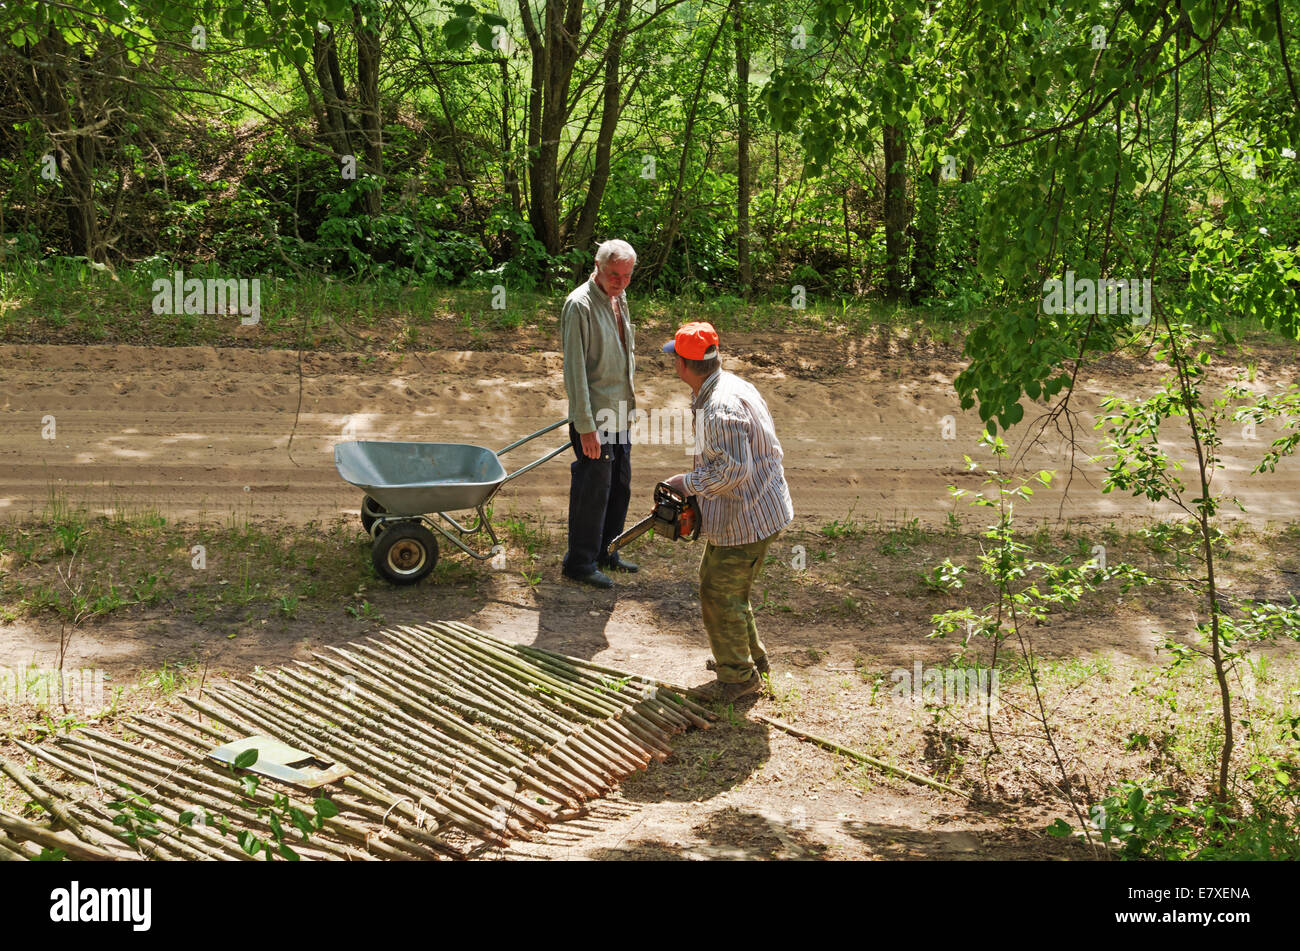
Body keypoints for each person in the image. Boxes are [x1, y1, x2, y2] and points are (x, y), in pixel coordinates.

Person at [664, 321, 794, 701]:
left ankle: (737, 678)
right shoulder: (730, 385)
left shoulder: (719, 406)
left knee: (719, 592)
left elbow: (734, 470)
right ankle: (746, 657)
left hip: (748, 516)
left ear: (683, 365)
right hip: (751, 510)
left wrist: (686, 484)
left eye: (675, 358)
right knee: (723, 586)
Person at [560, 239, 640, 588]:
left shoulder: (618, 297)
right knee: (593, 489)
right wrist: (586, 427)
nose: (620, 281)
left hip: (620, 412)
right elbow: (575, 372)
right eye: (613, 274)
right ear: (596, 265)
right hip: (595, 418)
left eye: (626, 275)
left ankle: (608, 551)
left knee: (618, 487)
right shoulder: (579, 306)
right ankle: (579, 562)